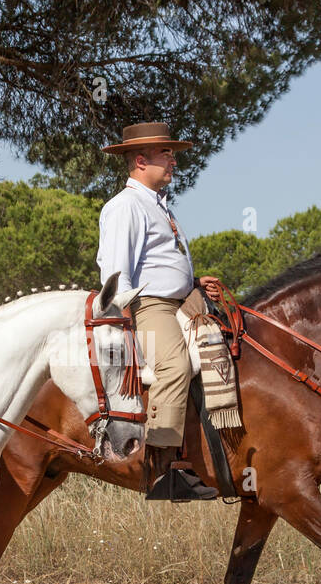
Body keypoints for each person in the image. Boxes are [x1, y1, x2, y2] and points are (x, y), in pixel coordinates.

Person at [96, 122, 226, 501]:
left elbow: (163, 265)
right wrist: (122, 321)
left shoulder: (158, 205)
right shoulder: (125, 207)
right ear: (140, 160)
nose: (173, 161)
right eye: (166, 154)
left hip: (182, 302)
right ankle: (163, 469)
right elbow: (116, 275)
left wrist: (197, 283)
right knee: (175, 367)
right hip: (148, 307)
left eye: (172, 154)